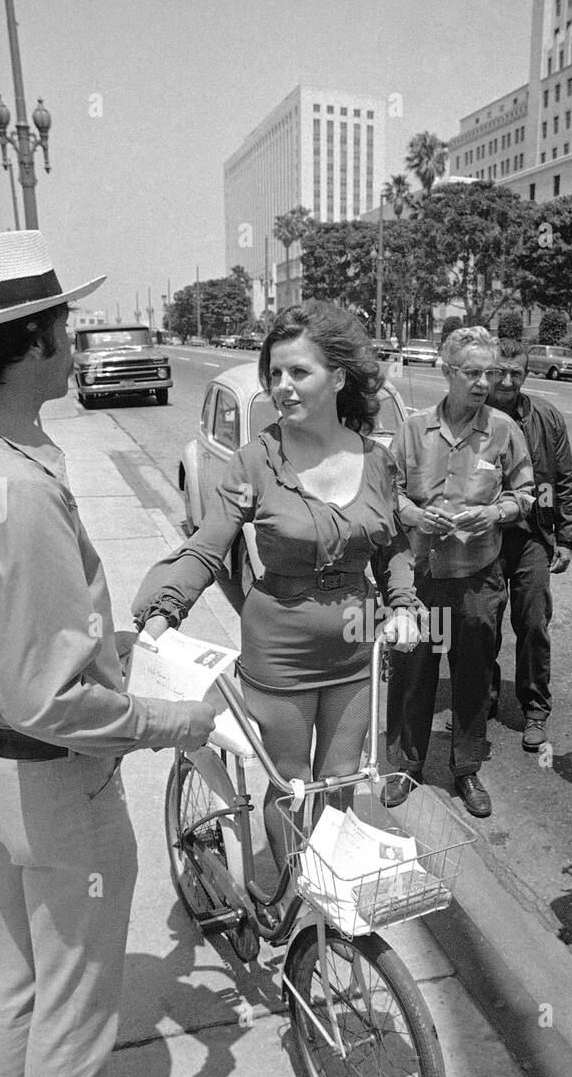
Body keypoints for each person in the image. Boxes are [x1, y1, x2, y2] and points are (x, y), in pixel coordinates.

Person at [0, 232, 215, 1077]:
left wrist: (96, 641)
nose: (77, 343)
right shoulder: (16, 488)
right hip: (53, 782)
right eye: (64, 327)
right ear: (30, 345)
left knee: (20, 973)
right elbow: (45, 694)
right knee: (72, 1002)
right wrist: (171, 721)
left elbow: (12, 648)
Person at [133, 301, 422, 867]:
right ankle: (285, 887)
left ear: (337, 378)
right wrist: (165, 610)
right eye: (274, 374)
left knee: (340, 781)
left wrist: (404, 603)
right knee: (290, 786)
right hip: (280, 650)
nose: (281, 387)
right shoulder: (254, 461)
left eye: (298, 372)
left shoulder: (378, 461)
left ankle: (323, 888)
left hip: (357, 645)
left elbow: (392, 546)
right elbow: (209, 544)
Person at [384, 326, 535, 817]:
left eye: (490, 373)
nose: (483, 382)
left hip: (478, 576)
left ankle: (466, 769)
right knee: (412, 670)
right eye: (472, 372)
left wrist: (495, 513)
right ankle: (407, 764)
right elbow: (389, 492)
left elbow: (527, 493)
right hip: (421, 576)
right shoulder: (412, 430)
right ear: (446, 372)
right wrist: (414, 514)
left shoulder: (504, 430)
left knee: (472, 676)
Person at [486, 336, 572, 750]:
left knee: (533, 623)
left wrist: (567, 537)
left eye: (516, 373)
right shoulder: (470, 414)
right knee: (478, 624)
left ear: (526, 373)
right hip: (482, 537)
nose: (507, 381)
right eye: (498, 372)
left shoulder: (546, 417)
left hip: (532, 536)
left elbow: (563, 478)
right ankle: (480, 699)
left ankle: (535, 709)